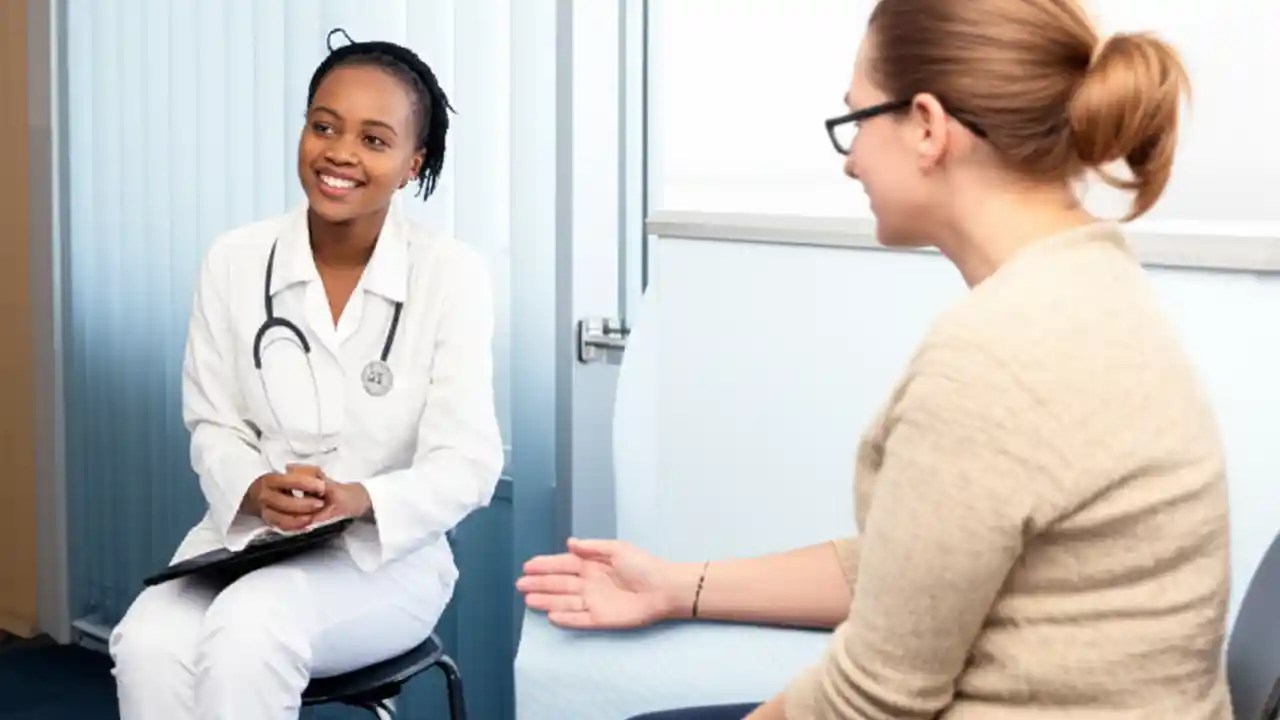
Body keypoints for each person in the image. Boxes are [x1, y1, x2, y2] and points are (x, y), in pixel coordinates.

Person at [518, 0, 1233, 718]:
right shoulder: (1089, 290)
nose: (852, 157)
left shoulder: (999, 357)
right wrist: (679, 585)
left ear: (926, 126)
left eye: (856, 120)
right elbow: (913, 570)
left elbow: (872, 700)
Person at [109, 31, 504, 719]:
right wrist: (256, 489)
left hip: (383, 561)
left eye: (375, 140)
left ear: (414, 163)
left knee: (251, 630)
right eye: (325, 126)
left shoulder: (450, 275)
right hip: (248, 545)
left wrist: (359, 499)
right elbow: (213, 422)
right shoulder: (234, 260)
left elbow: (468, 462)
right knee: (145, 638)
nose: (341, 153)